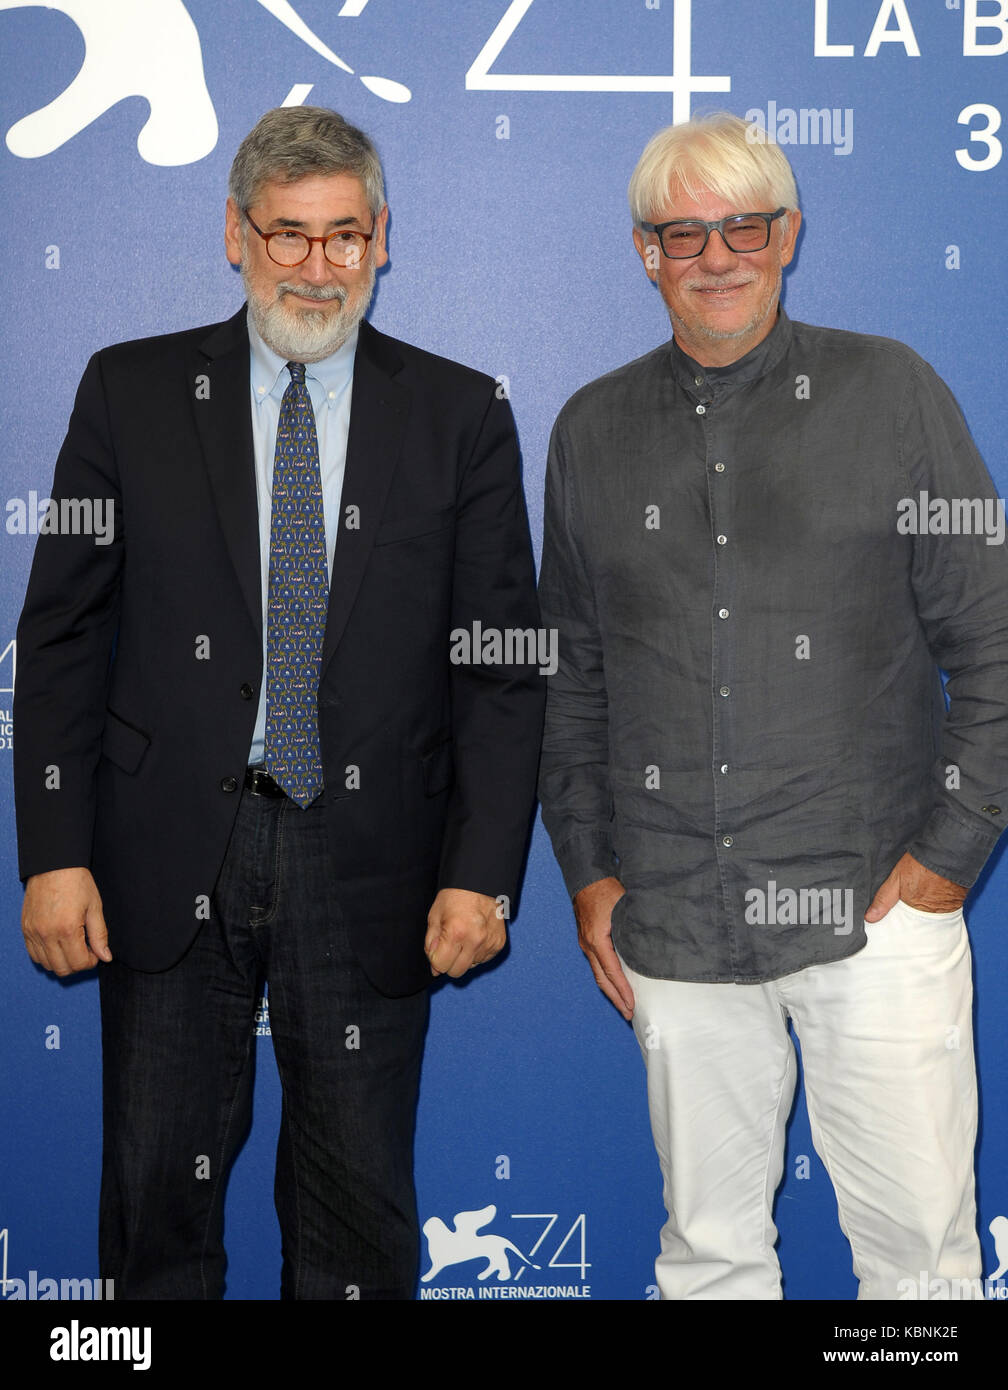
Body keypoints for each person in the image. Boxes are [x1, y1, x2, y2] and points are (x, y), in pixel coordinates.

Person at [13, 105, 545, 1300]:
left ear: (384, 239)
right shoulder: (129, 391)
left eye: (344, 235)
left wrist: (483, 871)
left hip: (374, 858)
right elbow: (60, 642)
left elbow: (501, 667)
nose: (319, 266)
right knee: (156, 1199)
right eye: (290, 236)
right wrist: (52, 854)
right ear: (235, 237)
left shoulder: (462, 415)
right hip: (162, 855)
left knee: (356, 1207)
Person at [537, 112, 1008, 1300]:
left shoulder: (893, 393)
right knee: (708, 1260)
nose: (716, 254)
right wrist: (591, 870)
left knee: (918, 1265)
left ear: (788, 234)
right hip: (678, 921)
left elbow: (996, 639)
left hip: (875, 916)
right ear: (645, 252)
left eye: (744, 224)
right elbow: (570, 677)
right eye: (682, 232)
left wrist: (949, 859)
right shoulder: (591, 431)